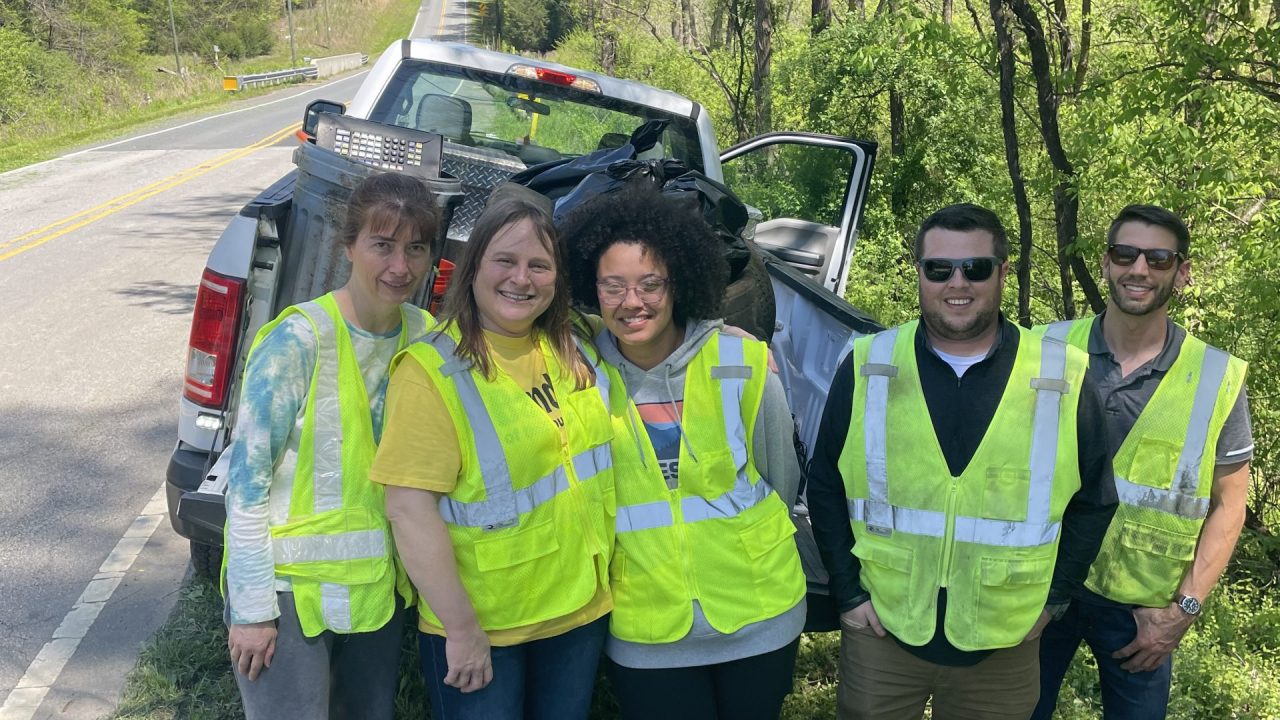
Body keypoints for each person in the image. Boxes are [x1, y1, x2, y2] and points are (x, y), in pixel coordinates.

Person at [807, 203, 1118, 720]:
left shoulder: (1065, 376)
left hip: (1005, 639)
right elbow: (824, 485)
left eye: (975, 268)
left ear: (1002, 272)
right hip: (883, 628)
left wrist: (1054, 602)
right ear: (920, 273)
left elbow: (1094, 501)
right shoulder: (867, 364)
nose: (958, 283)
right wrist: (847, 593)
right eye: (939, 269)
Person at [559, 182, 807, 720]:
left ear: (680, 282)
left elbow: (780, 483)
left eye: (651, 283)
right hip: (648, 628)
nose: (632, 302)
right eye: (613, 286)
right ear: (590, 289)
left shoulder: (740, 359)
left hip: (759, 614)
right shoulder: (577, 374)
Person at [370, 186, 617, 720]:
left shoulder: (572, 343)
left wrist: (716, 331)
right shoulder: (432, 371)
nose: (521, 279)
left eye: (539, 265)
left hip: (578, 609)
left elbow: (651, 326)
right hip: (485, 625)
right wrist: (461, 630)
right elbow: (407, 509)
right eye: (505, 260)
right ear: (473, 266)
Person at [222, 171, 438, 719]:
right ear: (349, 246)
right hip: (289, 597)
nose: (400, 266)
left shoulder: (427, 336)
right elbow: (246, 487)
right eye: (382, 245)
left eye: (415, 248)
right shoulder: (297, 341)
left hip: (376, 593)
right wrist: (250, 610)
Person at [1032, 205, 1252, 719]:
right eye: (1125, 254)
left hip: (1143, 612)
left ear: (1182, 272)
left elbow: (1230, 505)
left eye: (1158, 258)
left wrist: (1184, 610)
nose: (1139, 269)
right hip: (1040, 589)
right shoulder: (1042, 349)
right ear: (1106, 262)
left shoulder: (1217, 376)